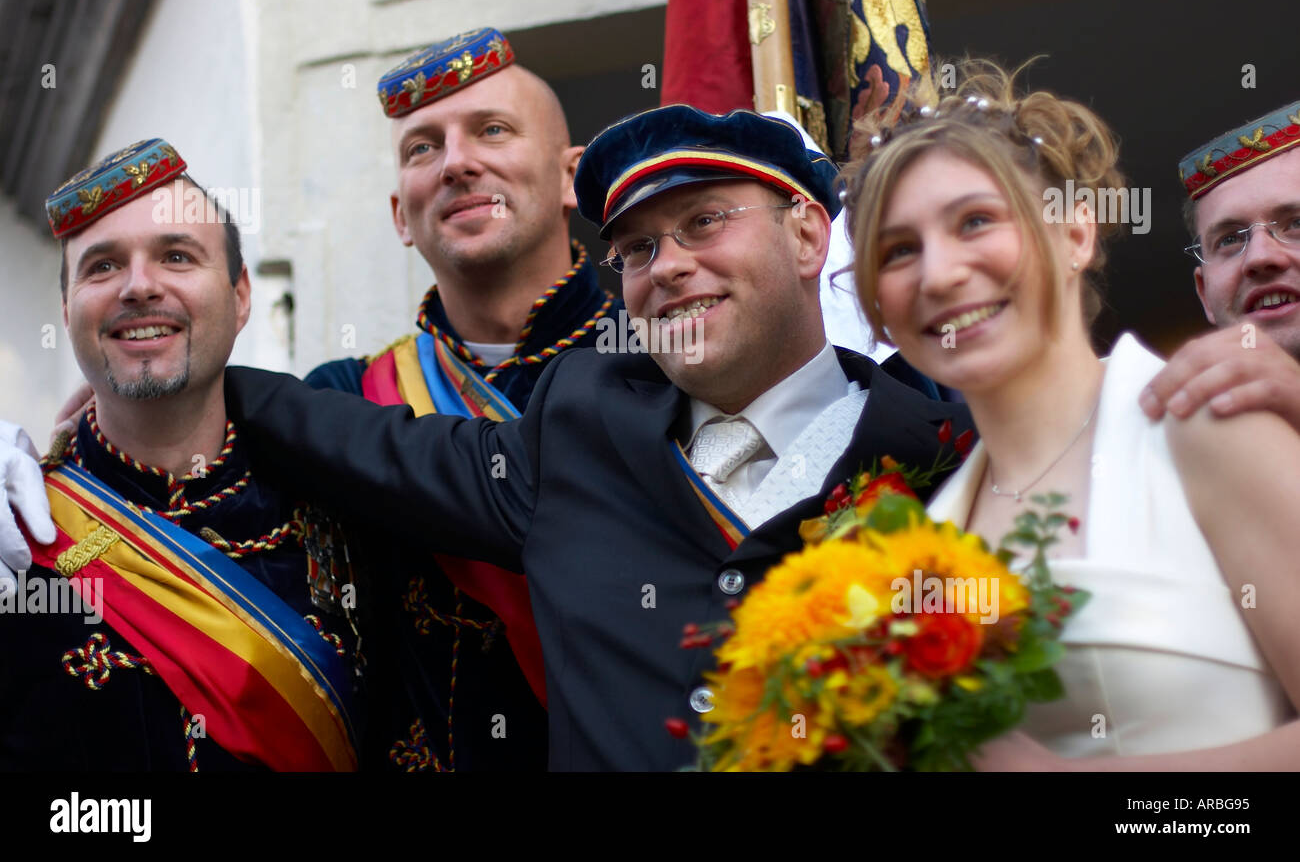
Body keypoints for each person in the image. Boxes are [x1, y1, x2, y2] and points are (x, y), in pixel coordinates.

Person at [187, 105, 971, 771]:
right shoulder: (579, 428)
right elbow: (368, 444)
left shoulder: (946, 457)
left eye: (702, 222)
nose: (666, 267)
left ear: (805, 237)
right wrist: (169, 387)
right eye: (637, 249)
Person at [843, 61, 1300, 768]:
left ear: (1076, 235)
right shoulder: (924, 536)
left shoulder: (1206, 426)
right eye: (898, 250)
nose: (938, 274)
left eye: (976, 221)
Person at [0, 140, 363, 771]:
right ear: (67, 310)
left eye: (175, 255)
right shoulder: (17, 540)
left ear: (240, 295)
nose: (139, 287)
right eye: (102, 266)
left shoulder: (347, 497)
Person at [306, 28, 612, 771]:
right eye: (422, 148)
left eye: (492, 130)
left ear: (574, 177)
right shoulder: (343, 397)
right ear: (399, 216)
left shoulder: (670, 359)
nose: (457, 163)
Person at [1139, 99, 1300, 433]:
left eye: (1296, 223)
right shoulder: (1176, 447)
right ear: (1204, 293)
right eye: (1229, 240)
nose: (1259, 257)